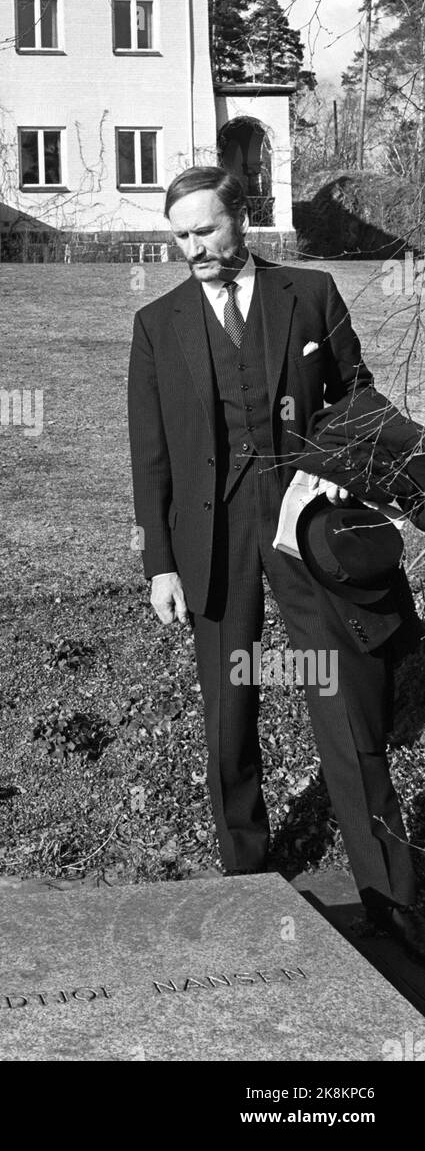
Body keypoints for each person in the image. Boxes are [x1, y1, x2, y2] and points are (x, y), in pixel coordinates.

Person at [127, 164, 425, 962]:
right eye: (180, 236)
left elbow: (355, 398)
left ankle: (388, 896)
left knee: (343, 704)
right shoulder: (157, 326)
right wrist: (161, 566)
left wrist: (337, 467)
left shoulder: (311, 293)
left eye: (207, 230)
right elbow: (150, 458)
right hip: (212, 534)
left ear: (242, 219)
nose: (194, 247)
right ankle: (244, 873)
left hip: (304, 525)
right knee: (229, 707)